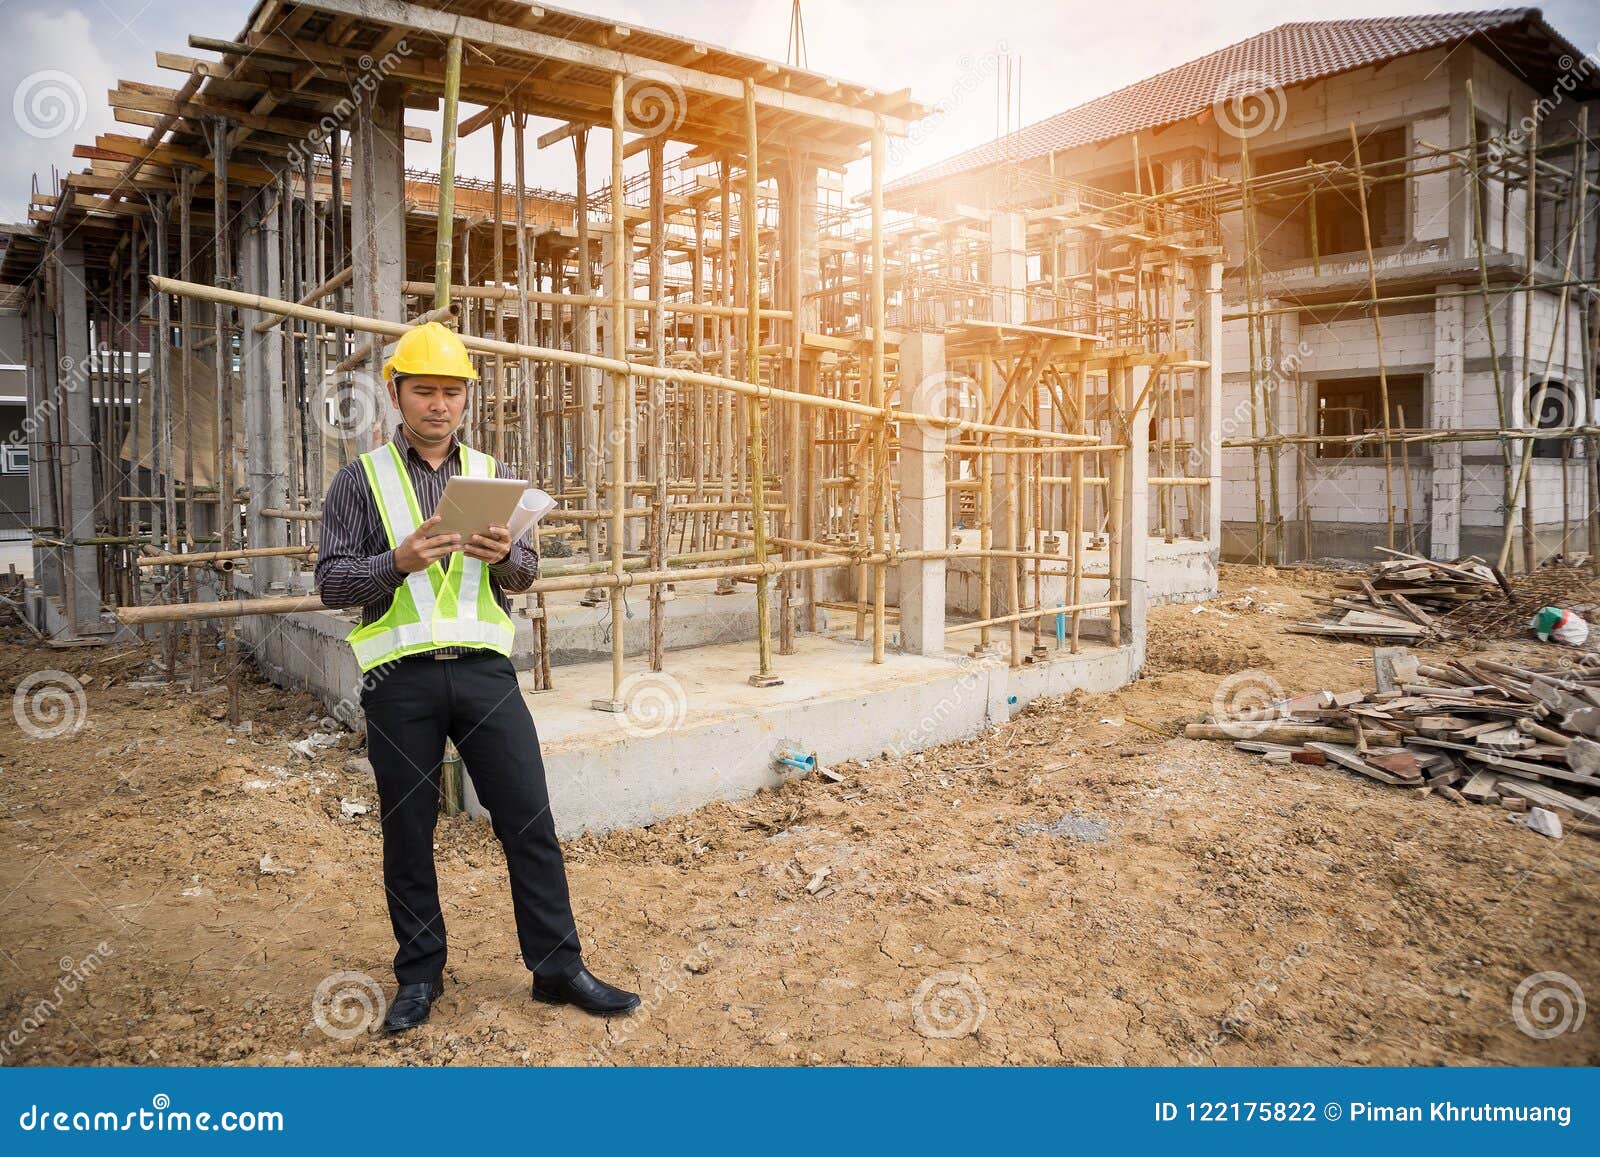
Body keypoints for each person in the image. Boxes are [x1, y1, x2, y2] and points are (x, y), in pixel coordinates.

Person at [316, 322, 639, 1032]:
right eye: (424, 389)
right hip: (398, 682)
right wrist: (395, 562)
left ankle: (558, 966)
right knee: (409, 829)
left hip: (487, 676)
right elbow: (332, 582)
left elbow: (523, 573)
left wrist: (503, 556)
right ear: (396, 393)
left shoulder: (492, 475)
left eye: (451, 391)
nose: (438, 403)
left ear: (467, 398)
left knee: (529, 819)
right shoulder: (359, 480)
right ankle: (420, 974)